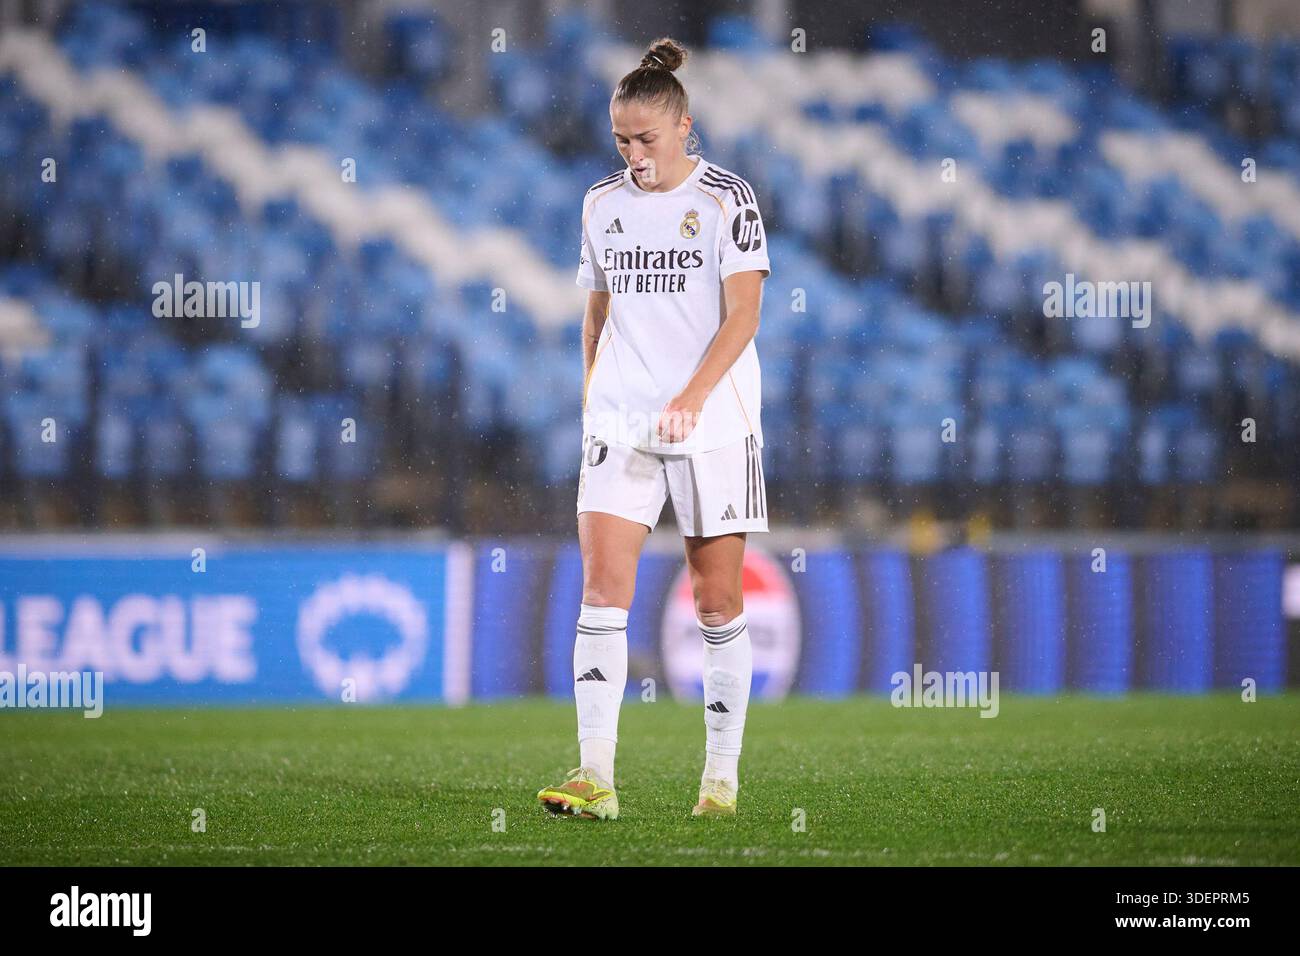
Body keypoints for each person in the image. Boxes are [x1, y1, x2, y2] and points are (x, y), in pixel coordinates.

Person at [537, 36, 772, 820]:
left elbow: (744, 315)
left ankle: (720, 782)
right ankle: (595, 776)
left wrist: (694, 396)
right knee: (602, 592)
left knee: (716, 602)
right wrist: (592, 395)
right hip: (623, 419)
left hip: (713, 423)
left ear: (683, 128)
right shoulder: (600, 205)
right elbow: (596, 312)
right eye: (621, 142)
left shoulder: (727, 199)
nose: (634, 156)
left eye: (646, 139)